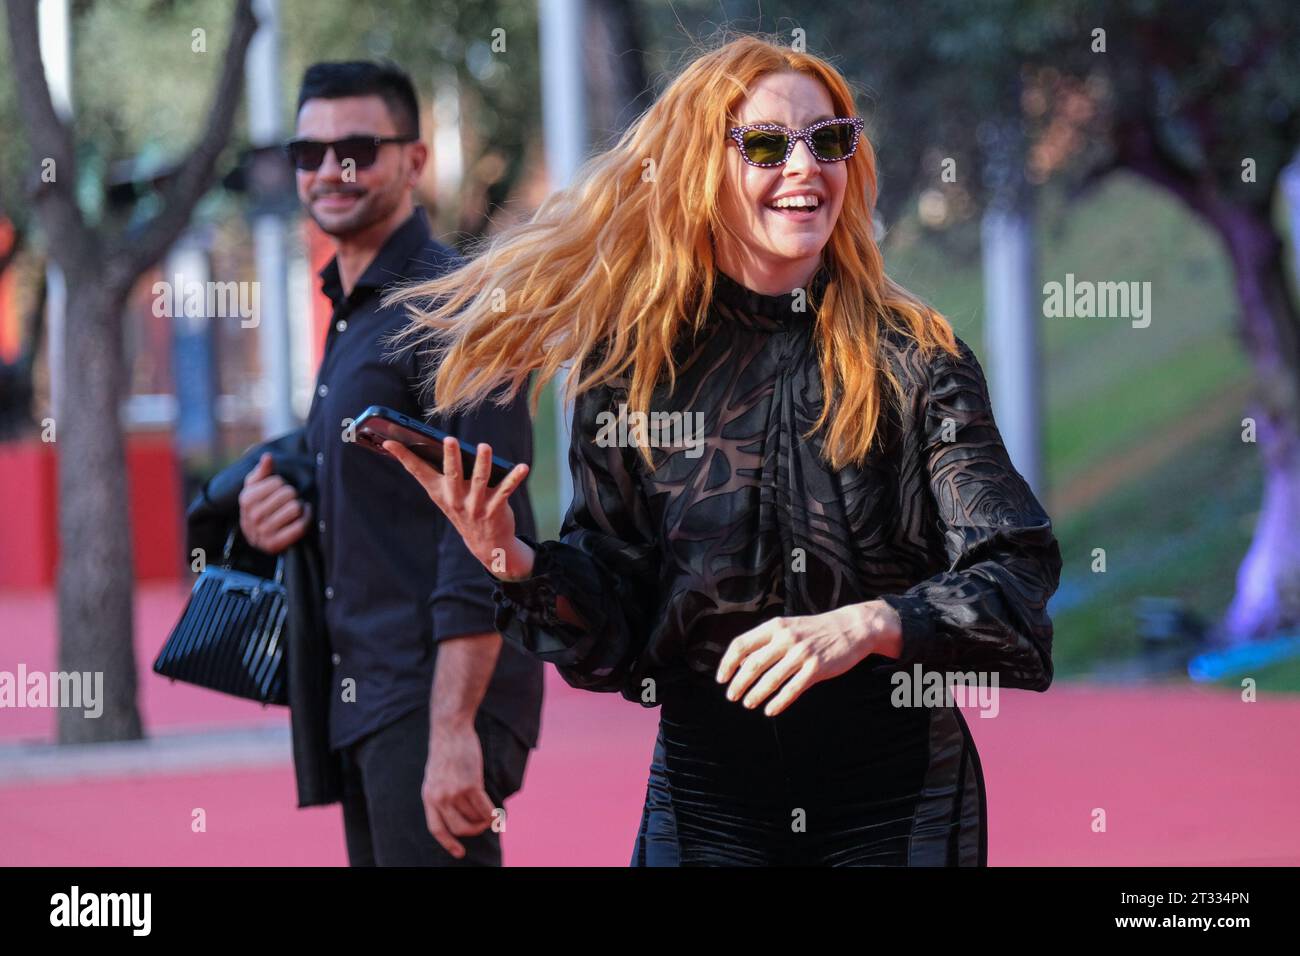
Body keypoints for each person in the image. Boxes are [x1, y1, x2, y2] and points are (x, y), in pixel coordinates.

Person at [383, 36, 1062, 866]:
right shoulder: (628, 370)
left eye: (830, 139)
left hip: (897, 806)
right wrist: (518, 565)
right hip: (706, 807)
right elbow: (620, 622)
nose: (805, 168)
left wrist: (869, 625)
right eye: (769, 145)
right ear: (704, 170)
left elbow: (1014, 574)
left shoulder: (916, 357)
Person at [236, 60, 542, 866]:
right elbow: (363, 489)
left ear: (414, 160)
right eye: (309, 153)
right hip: (370, 696)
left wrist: (451, 733)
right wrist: (275, 507)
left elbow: (481, 531)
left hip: (434, 698)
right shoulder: (350, 314)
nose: (330, 171)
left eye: (358, 148)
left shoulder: (457, 303)